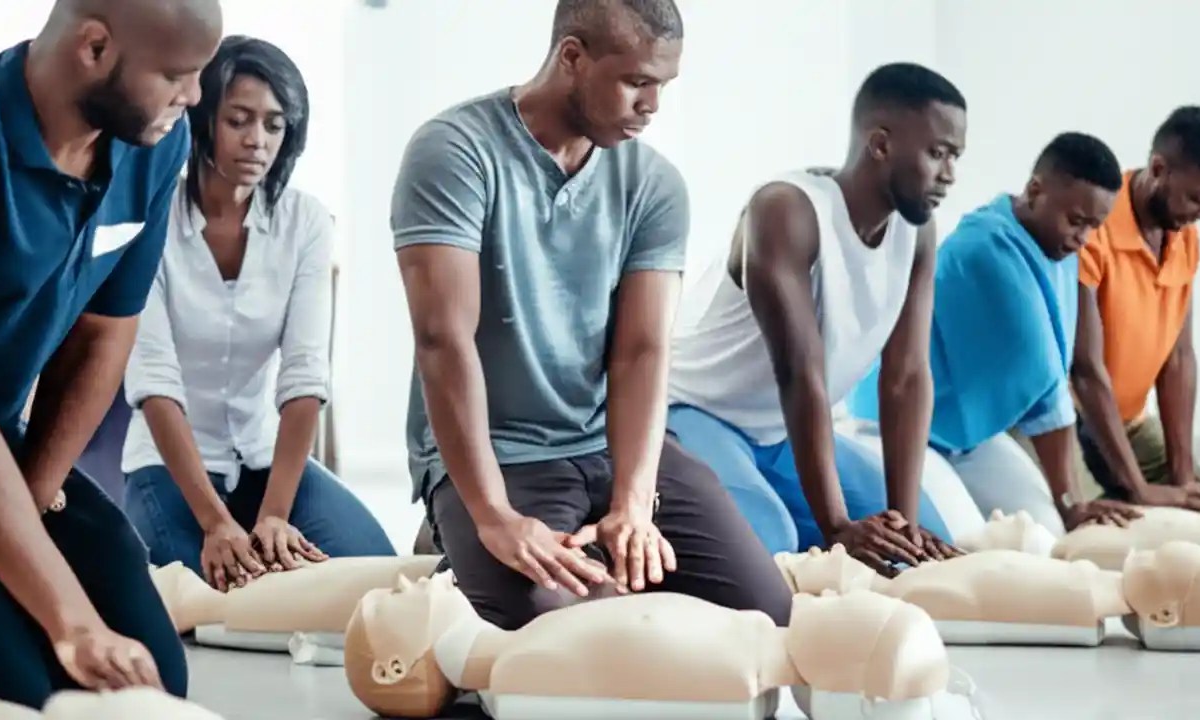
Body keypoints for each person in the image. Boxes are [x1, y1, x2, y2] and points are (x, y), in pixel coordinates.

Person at [392, 0, 791, 631]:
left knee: (766, 611)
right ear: (572, 58)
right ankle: (455, 531)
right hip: (503, 453)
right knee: (560, 626)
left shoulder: (654, 184)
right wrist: (493, 514)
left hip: (608, 442)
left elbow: (641, 350)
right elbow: (445, 340)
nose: (652, 105)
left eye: (663, 85)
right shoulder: (454, 151)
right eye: (637, 82)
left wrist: (634, 504)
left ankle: (582, 535)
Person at [0, 0, 222, 707]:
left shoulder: (153, 143)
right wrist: (70, 622)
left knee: (150, 680)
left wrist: (22, 514)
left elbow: (104, 332)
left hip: (2, 446)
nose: (196, 96)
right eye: (177, 74)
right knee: (22, 690)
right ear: (94, 48)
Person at [666, 62, 969, 573]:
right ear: (880, 144)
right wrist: (836, 528)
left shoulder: (917, 234)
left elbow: (907, 377)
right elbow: (800, 373)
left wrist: (903, 526)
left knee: (928, 544)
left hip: (779, 434)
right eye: (937, 153)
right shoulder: (786, 211)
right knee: (771, 545)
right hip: (692, 413)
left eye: (955, 157)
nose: (950, 175)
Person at [120, 36, 396, 593]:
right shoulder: (152, 220)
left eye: (274, 125)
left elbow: (304, 376)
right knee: (211, 593)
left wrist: (274, 517)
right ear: (203, 121)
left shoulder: (306, 223)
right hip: (170, 467)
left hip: (265, 458)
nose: (257, 141)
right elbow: (155, 383)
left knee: (376, 577)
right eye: (239, 120)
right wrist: (217, 523)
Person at [849, 132, 1141, 536]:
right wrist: (1072, 501)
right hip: (892, 428)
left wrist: (1071, 505)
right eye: (1076, 221)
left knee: (1045, 533)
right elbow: (1047, 376)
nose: (1083, 238)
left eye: (1094, 226)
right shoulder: (984, 248)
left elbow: (1051, 393)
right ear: (1035, 190)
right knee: (966, 539)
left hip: (966, 437)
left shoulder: (1057, 250)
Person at [1071, 106, 1200, 513]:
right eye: (1196, 198)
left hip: (1129, 424)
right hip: (1072, 421)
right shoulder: (1094, 225)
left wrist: (1182, 475)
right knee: (1090, 527)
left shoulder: (1184, 239)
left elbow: (1179, 359)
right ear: (1158, 168)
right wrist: (1139, 486)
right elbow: (1085, 370)